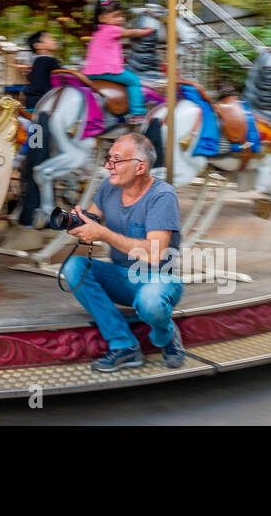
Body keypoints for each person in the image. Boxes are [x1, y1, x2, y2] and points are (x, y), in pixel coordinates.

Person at [59, 133, 185, 372]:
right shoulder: (109, 187)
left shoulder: (162, 196)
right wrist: (77, 223)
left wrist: (103, 234)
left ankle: (167, 335)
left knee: (150, 301)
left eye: (116, 160)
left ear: (140, 167)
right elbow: (93, 217)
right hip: (121, 276)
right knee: (74, 267)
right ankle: (124, 345)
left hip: (159, 278)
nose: (108, 166)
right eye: (108, 159)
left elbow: (155, 254)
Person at [82, 0, 155, 124]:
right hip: (107, 70)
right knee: (133, 81)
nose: (120, 19)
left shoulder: (98, 32)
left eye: (121, 15)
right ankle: (137, 113)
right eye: (115, 16)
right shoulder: (111, 29)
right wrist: (145, 31)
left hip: (90, 72)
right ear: (101, 18)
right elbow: (130, 33)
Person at [23, 30, 61, 112]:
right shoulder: (48, 60)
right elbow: (66, 75)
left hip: (32, 101)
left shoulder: (37, 62)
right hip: (43, 103)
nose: (53, 39)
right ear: (38, 45)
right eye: (49, 38)